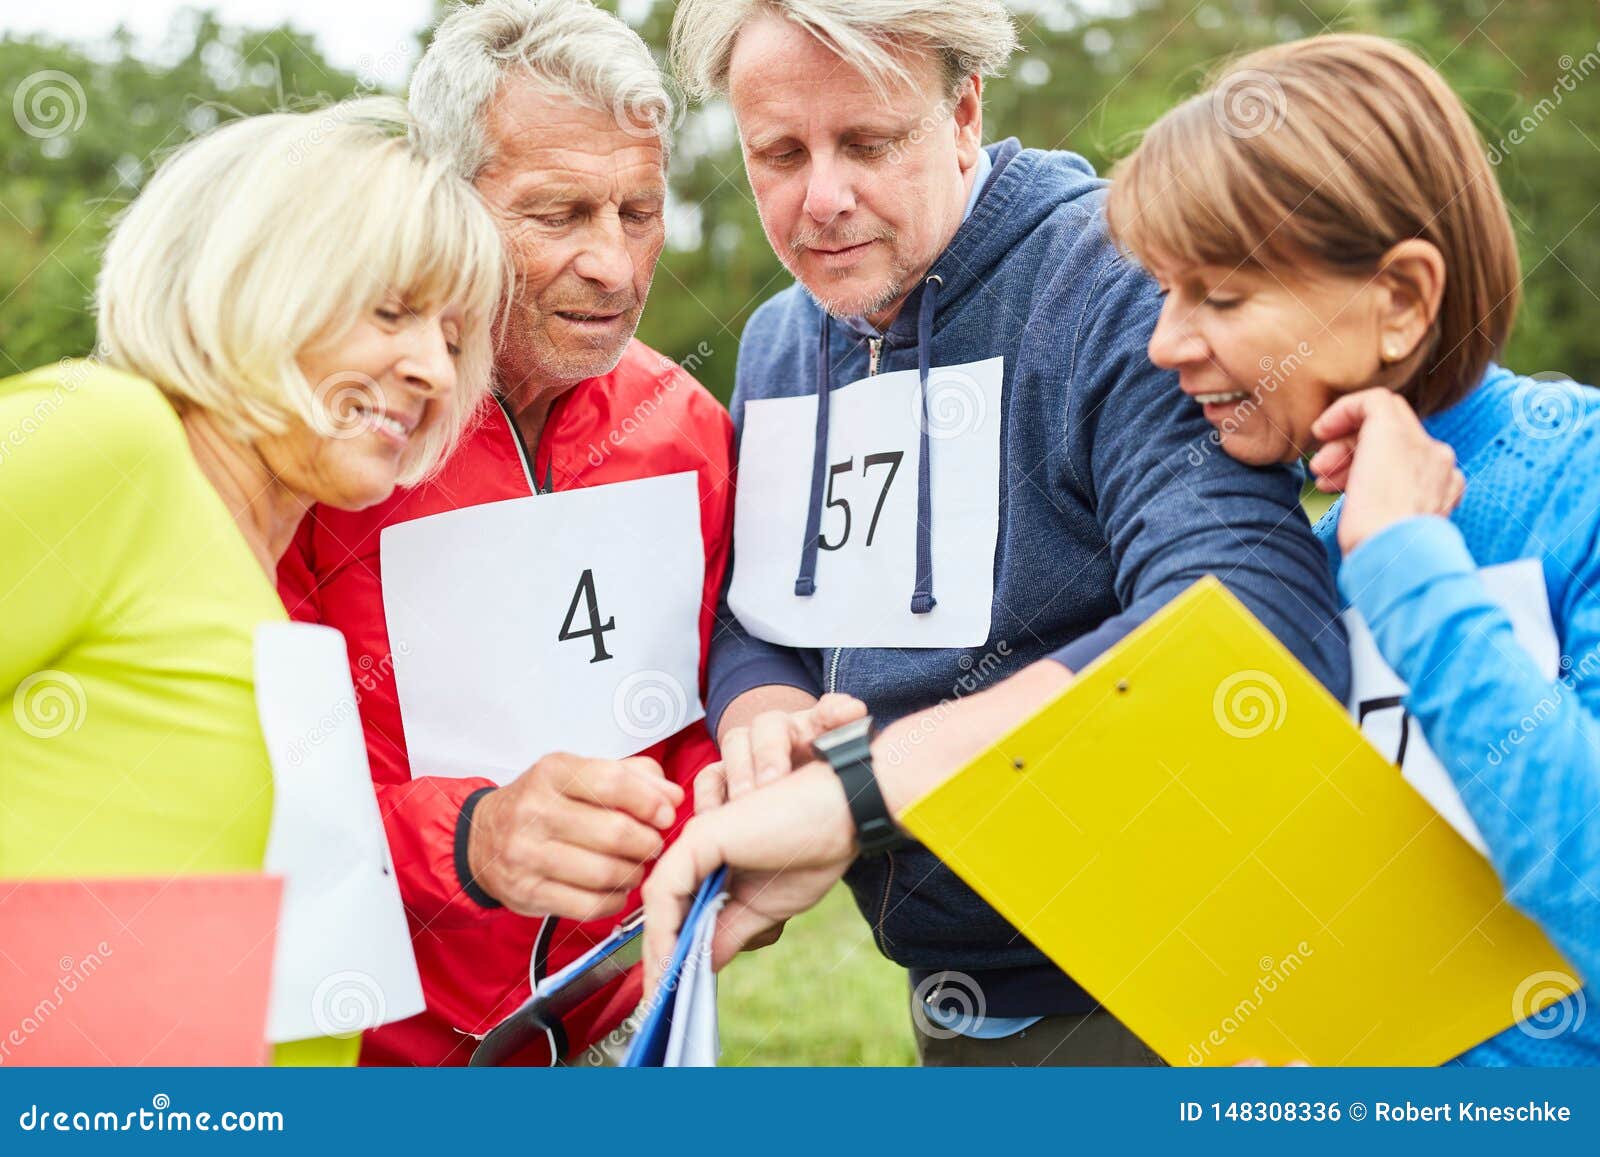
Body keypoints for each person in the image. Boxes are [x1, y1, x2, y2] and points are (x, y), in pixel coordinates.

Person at [644, 32, 1599, 1067]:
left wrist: (1410, 563)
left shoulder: (1551, 482)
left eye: (1217, 299)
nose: (1163, 343)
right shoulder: (1306, 506)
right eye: (779, 153)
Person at [277, 0, 734, 1066]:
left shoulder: (688, 430)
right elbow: (229, 779)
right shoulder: (320, 439)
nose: (616, 267)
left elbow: (703, 704)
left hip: (610, 1037)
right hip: (351, 1050)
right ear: (443, 199)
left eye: (638, 210)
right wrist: (468, 839)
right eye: (558, 213)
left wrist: (726, 808)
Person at [0, 98, 504, 1065]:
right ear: (250, 283)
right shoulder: (108, 440)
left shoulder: (267, 587)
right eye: (391, 311)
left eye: (451, 332)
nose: (434, 369)